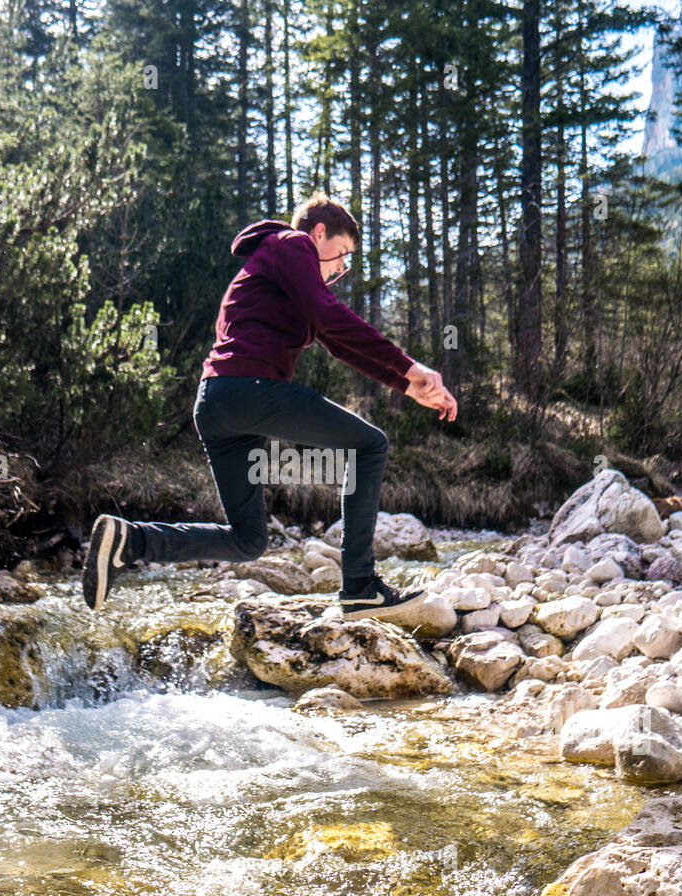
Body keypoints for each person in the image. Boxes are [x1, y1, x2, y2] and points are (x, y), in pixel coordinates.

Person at [82, 190, 458, 619]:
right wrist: (410, 368)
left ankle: (129, 540)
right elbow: (330, 317)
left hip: (217, 403)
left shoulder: (278, 269)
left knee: (248, 540)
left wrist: (403, 383)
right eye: (343, 252)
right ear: (319, 233)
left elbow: (335, 339)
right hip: (251, 389)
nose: (343, 266)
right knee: (369, 445)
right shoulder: (292, 244)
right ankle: (360, 585)